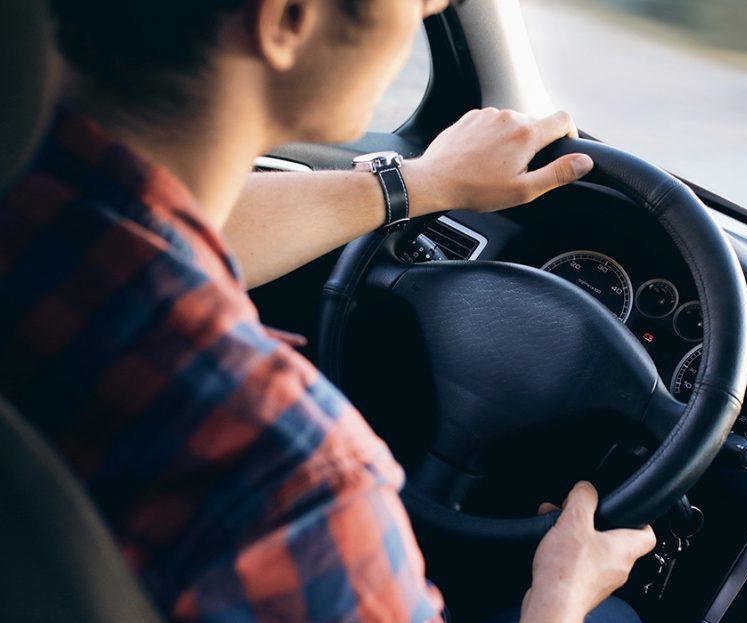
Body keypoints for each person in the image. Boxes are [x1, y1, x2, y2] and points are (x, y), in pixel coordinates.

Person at [0, 0, 657, 622]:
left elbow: (166, 227)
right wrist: (560, 592)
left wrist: (423, 182)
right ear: (287, 17)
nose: (431, 8)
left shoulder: (34, 205)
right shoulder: (295, 480)